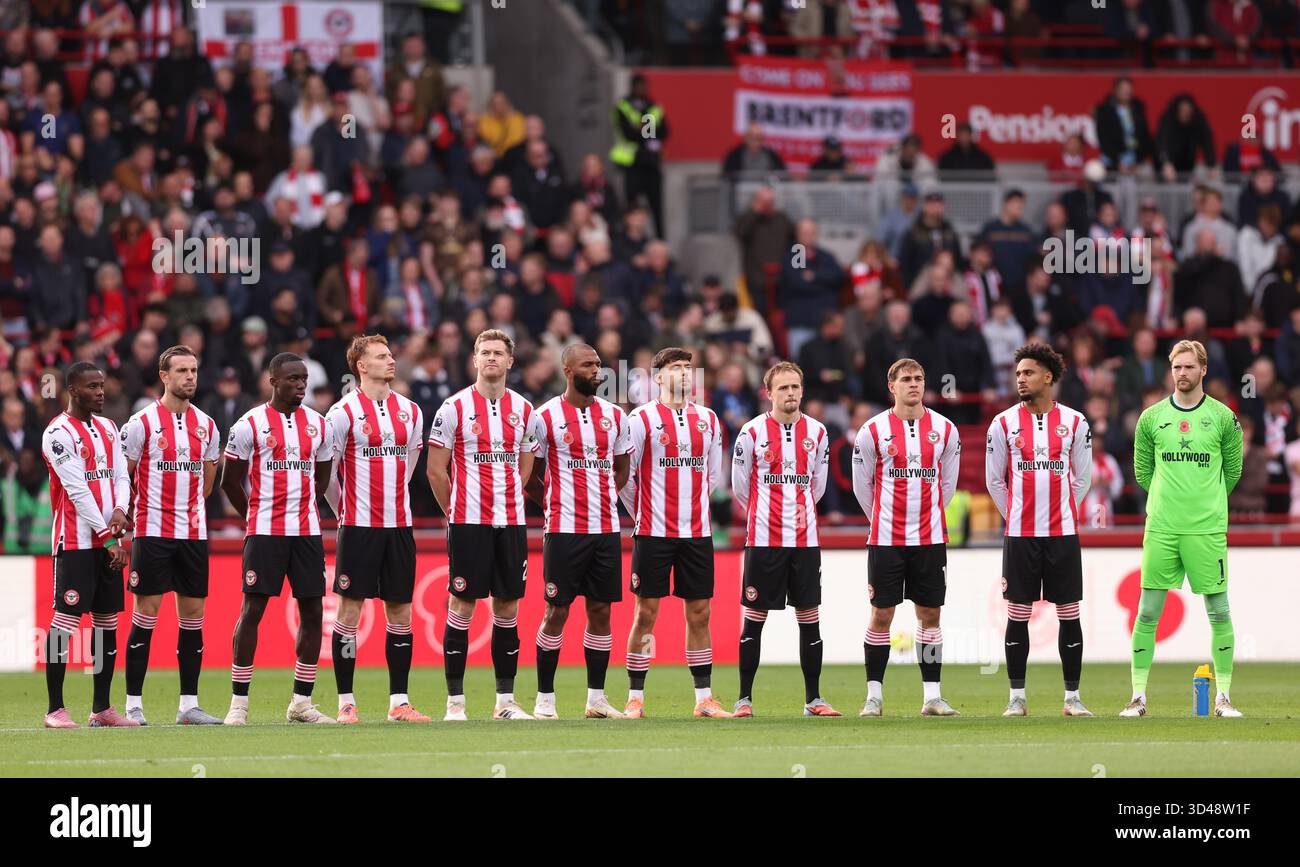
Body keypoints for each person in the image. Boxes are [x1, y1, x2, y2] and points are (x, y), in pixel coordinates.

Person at [1124, 339, 1243, 718]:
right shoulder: (1151, 418)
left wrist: (1204, 501)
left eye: (1189, 367)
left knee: (1220, 612)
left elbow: (1233, 471)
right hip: (1162, 527)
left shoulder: (1224, 418)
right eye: (1177, 367)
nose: (1182, 373)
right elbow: (1143, 471)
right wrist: (1169, 500)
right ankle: (1138, 697)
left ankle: (1223, 697)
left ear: (1203, 369)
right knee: (1147, 613)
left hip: (1206, 529)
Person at [426, 330, 539, 721]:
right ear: (474, 360)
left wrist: (509, 494)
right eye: (484, 352)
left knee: (507, 606)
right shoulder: (453, 407)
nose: (491, 358)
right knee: (462, 604)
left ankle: (505, 703)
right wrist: (456, 511)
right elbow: (436, 471)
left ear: (510, 361)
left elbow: (527, 462)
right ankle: (455, 704)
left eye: (498, 353)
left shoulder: (525, 410)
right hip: (468, 522)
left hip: (510, 523)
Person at [220, 353, 336, 725]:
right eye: (292, 379)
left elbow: (321, 479)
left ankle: (301, 702)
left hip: (306, 533)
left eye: (304, 379)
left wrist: (304, 508)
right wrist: (254, 514)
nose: (301, 385)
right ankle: (238, 704)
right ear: (273, 381)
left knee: (313, 610)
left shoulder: (319, 425)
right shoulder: (249, 424)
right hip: (265, 533)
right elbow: (229, 481)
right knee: (252, 610)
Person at [617, 348, 729, 719]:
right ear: (659, 378)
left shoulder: (708, 420)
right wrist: (643, 514)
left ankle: (704, 699)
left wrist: (691, 507)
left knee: (699, 612)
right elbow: (626, 479)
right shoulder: (641, 419)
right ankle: (635, 698)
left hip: (696, 533)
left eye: (687, 368)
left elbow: (712, 476)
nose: (682, 374)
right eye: (674, 369)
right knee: (646, 612)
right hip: (652, 532)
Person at [524, 343, 633, 719]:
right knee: (557, 610)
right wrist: (556, 501)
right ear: (568, 370)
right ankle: (544, 698)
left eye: (599, 364)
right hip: (563, 529)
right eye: (589, 364)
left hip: (605, 530)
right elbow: (531, 475)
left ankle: (596, 699)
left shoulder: (615, 417)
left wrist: (603, 495)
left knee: (600, 611)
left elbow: (622, 468)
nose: (597, 370)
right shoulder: (544, 417)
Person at [985, 343, 1094, 717]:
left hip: (1062, 534)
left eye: (1028, 373)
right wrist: (1016, 515)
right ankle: (1017, 697)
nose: (1020, 380)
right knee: (1018, 613)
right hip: (1021, 535)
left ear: (1048, 377)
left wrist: (1062, 510)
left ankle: (1072, 698)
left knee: (1069, 612)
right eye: (1017, 374)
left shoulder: (1076, 423)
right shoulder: (1002, 424)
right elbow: (994, 481)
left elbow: (1083, 478)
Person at [323, 335, 428, 724]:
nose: (391, 361)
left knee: (400, 610)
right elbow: (328, 474)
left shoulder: (412, 411)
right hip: (358, 527)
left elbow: (411, 462)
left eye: (391, 354)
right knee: (350, 611)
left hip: (399, 526)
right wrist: (345, 511)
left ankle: (399, 701)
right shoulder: (341, 413)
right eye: (381, 356)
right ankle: (346, 702)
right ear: (361, 366)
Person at [852, 357, 962, 717]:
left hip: (929, 539)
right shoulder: (872, 431)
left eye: (919, 378)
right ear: (892, 386)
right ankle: (874, 696)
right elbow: (862, 486)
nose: (914, 384)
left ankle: (932, 696)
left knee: (930, 614)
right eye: (906, 379)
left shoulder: (945, 430)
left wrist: (925, 516)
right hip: (885, 539)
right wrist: (884, 519)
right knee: (881, 614)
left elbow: (947, 484)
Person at [119, 346, 222, 726]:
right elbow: (122, 477)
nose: (190, 377)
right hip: (152, 533)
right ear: (164, 376)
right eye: (181, 371)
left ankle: (188, 706)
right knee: (145, 616)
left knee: (193, 619)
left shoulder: (208, 425)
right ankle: (133, 705)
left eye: (194, 370)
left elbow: (208, 483)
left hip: (193, 535)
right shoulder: (140, 423)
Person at [730, 361, 838, 718]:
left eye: (795, 387)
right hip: (763, 540)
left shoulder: (819, 432)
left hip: (805, 541)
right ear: (769, 393)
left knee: (809, 617)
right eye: (783, 388)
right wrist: (766, 513)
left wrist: (797, 509)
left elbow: (817, 486)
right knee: (755, 617)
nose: (790, 393)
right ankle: (744, 699)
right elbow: (741, 486)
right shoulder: (751, 432)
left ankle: (814, 700)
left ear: (802, 390)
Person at [40, 362, 135, 729]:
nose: (101, 392)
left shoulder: (109, 427)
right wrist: (108, 536)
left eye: (102, 385)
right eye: (92, 387)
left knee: (106, 622)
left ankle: (102, 708)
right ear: (72, 390)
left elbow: (120, 475)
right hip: (76, 541)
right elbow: (77, 490)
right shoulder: (58, 434)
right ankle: (54, 710)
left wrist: (120, 510)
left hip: (108, 538)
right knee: (64, 621)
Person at [609, 75, 667, 236]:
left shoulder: (653, 106)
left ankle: (660, 242)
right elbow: (629, 133)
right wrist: (647, 128)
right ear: (633, 87)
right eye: (639, 86)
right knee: (631, 207)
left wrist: (642, 127)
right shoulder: (623, 105)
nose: (642, 90)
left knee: (657, 207)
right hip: (632, 164)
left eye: (644, 86)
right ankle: (629, 238)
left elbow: (664, 131)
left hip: (651, 163)